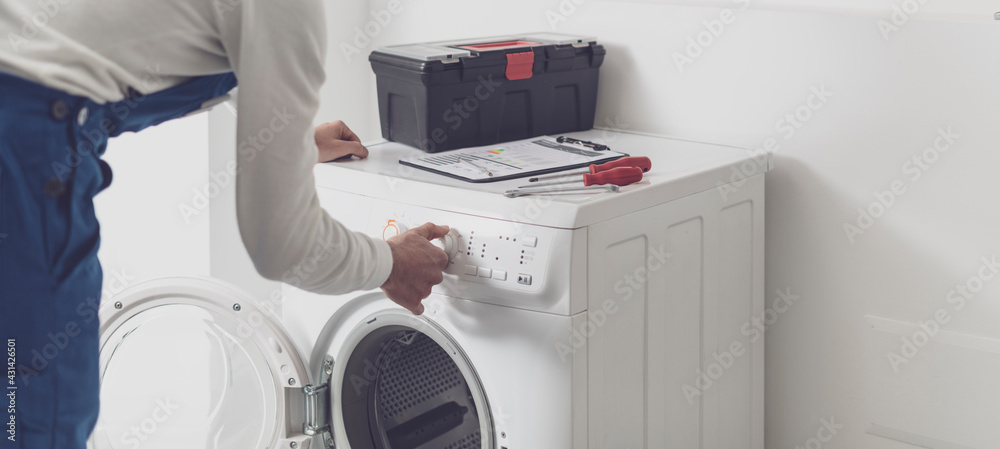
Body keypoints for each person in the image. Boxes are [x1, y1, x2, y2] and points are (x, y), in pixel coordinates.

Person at [0, 0, 450, 448]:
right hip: (23, 154)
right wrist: (390, 263)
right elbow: (284, 248)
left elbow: (139, 43)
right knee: (36, 417)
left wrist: (289, 147)